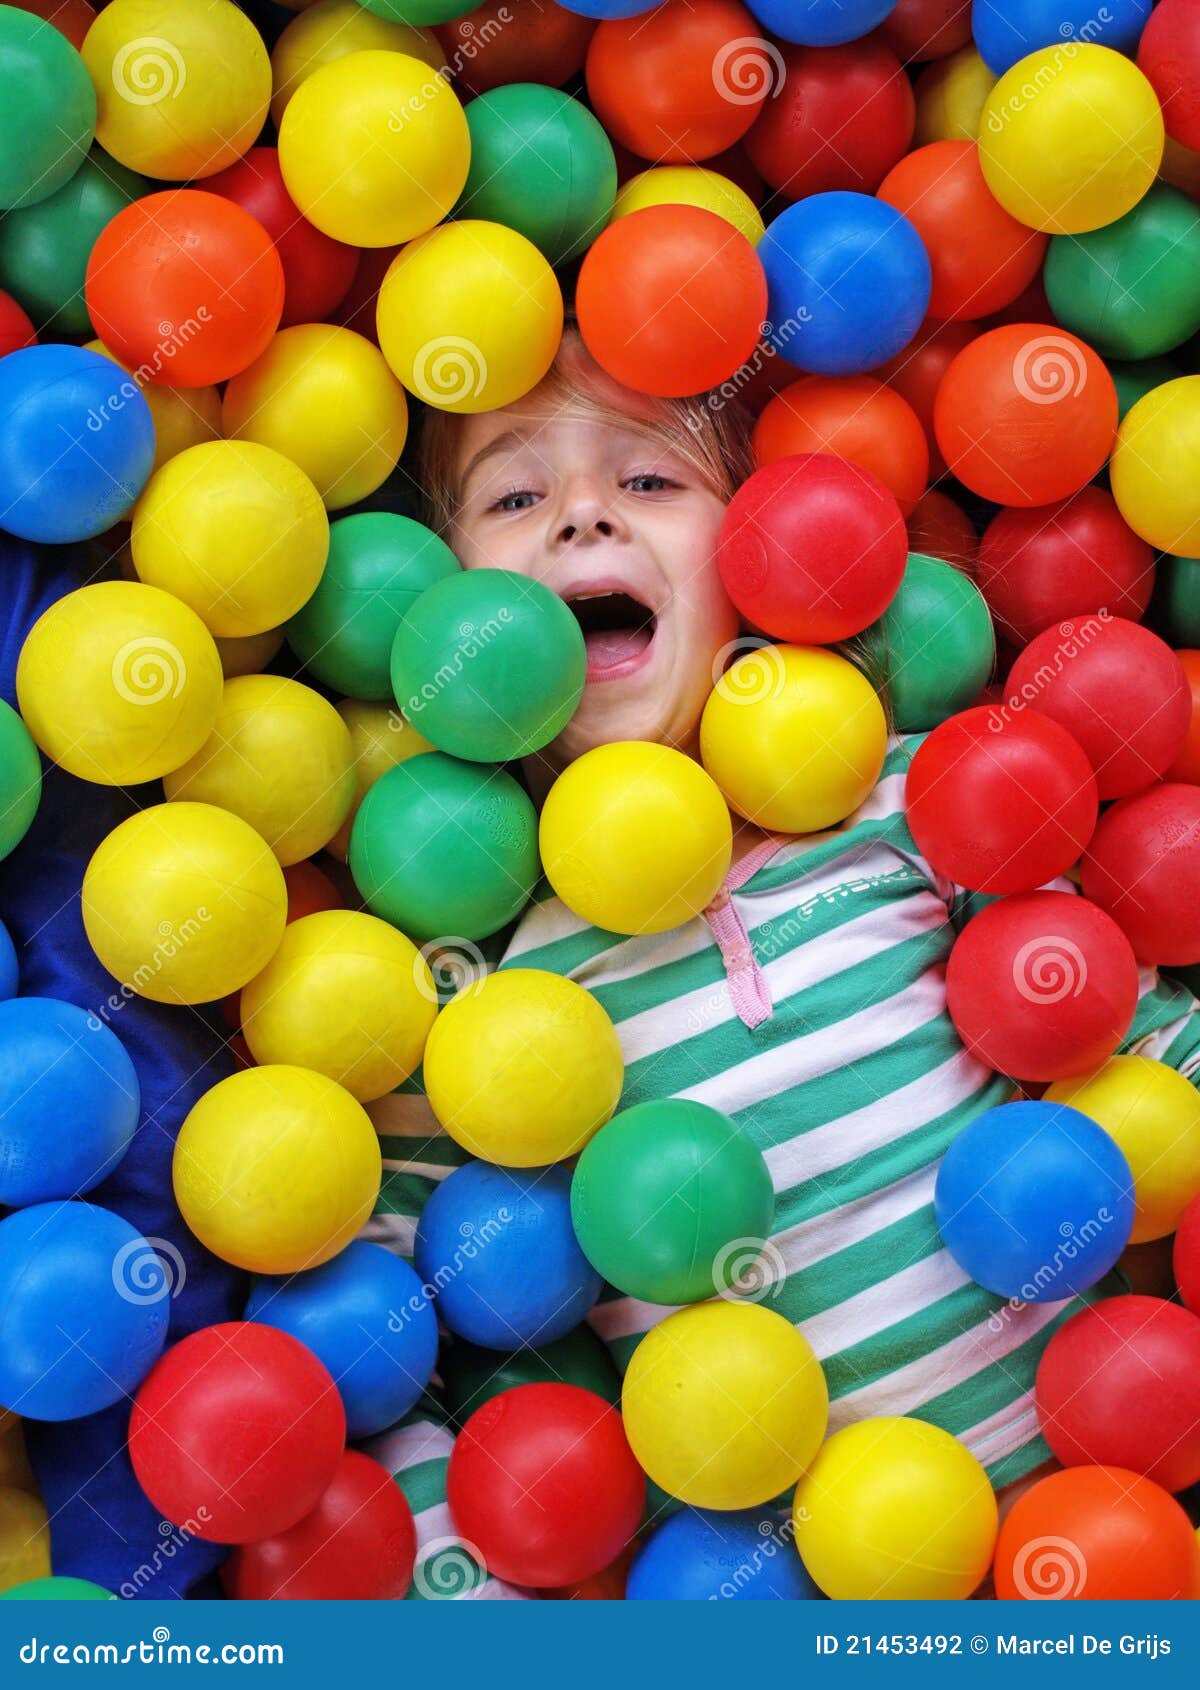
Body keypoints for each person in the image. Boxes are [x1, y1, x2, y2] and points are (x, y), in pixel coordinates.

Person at [361, 322, 1198, 1529]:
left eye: (649, 478)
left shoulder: (916, 807)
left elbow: (1134, 1040)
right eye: (513, 492)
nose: (585, 516)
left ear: (755, 551)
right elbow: (381, 1317)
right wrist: (459, 1562)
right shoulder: (488, 995)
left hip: (1106, 1515)